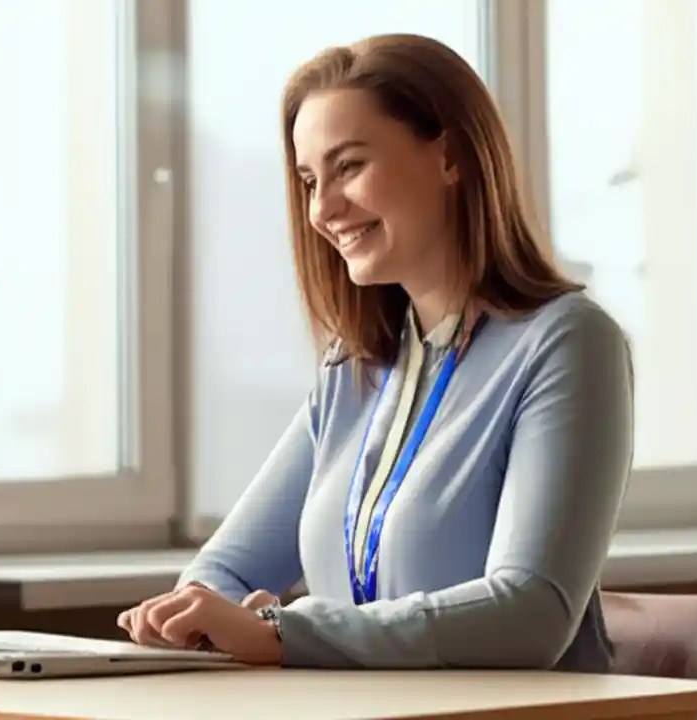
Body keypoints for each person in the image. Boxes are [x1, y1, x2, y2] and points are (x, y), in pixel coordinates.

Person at [116, 34, 633, 671]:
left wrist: (284, 631)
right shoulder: (355, 366)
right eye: (309, 179)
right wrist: (197, 615)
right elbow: (223, 570)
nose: (322, 210)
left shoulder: (567, 343)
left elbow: (532, 613)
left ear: (451, 156)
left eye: (350, 167)